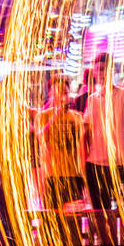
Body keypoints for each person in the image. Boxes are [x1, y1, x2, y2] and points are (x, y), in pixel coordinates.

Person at [81, 51, 124, 211]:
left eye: (103, 69)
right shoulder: (92, 99)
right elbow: (86, 132)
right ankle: (104, 237)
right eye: (97, 69)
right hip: (96, 163)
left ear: (111, 71)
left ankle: (118, 237)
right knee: (100, 211)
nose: (100, 73)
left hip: (120, 162)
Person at [35, 75, 85, 210]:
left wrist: (84, 175)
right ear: (51, 94)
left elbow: (82, 147)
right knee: (53, 215)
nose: (63, 96)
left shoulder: (77, 117)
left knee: (75, 219)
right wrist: (55, 115)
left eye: (65, 92)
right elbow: (41, 139)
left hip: (74, 175)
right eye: (59, 92)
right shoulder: (43, 116)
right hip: (52, 175)